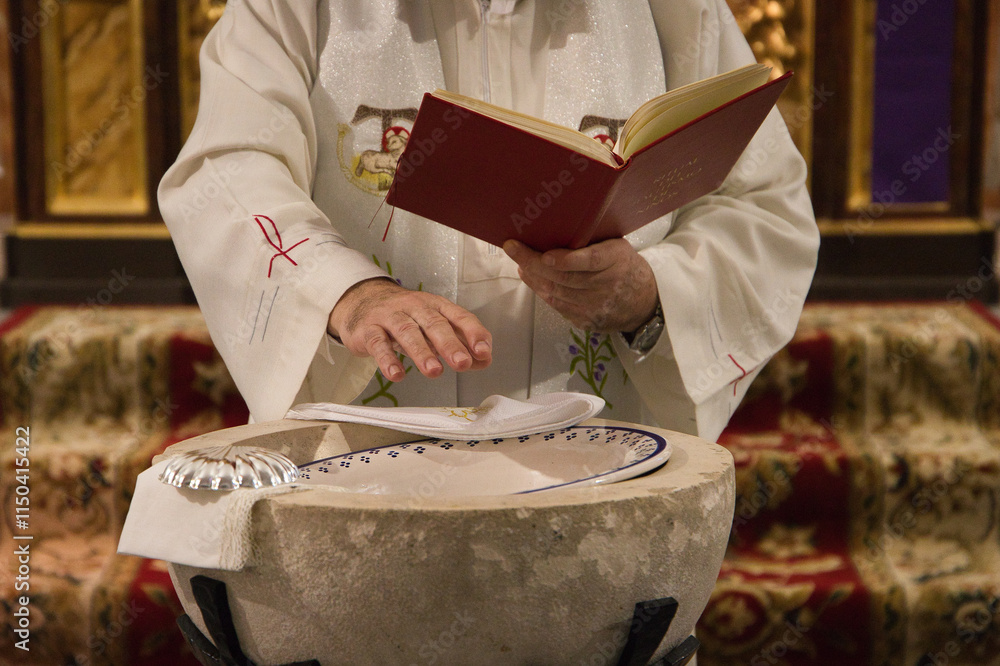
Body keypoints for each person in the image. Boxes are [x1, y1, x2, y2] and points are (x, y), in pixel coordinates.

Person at [159, 0, 819, 442]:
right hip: (365, 472)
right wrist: (346, 293)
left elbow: (764, 204)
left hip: (600, 473)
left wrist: (651, 293)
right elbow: (226, 170)